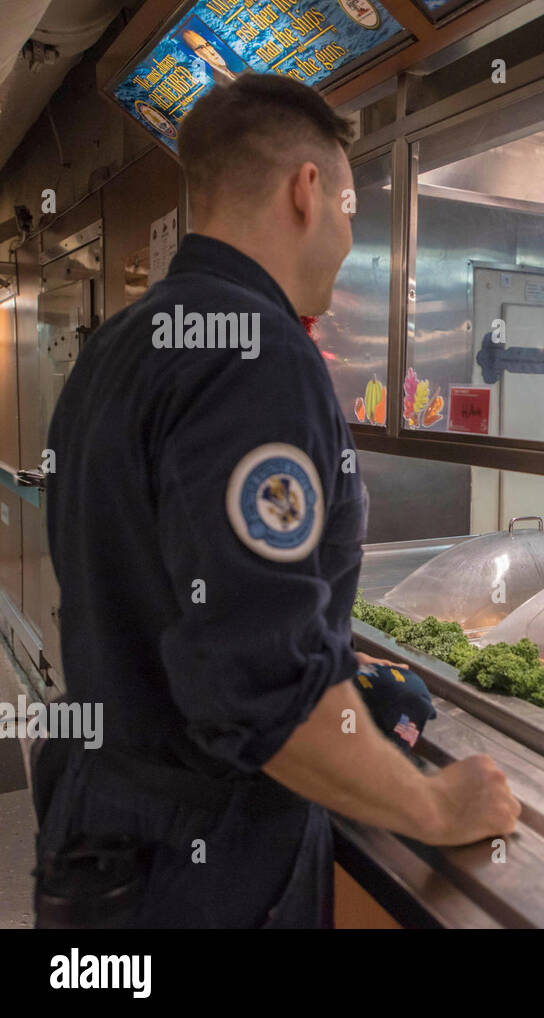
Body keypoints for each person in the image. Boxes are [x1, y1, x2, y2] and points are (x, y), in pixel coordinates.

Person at [35, 74, 519, 928]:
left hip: (100, 816)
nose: (344, 237)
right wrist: (436, 807)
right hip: (201, 861)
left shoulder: (121, 341)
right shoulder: (259, 354)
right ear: (306, 191)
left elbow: (168, 592)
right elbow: (261, 693)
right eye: (349, 210)